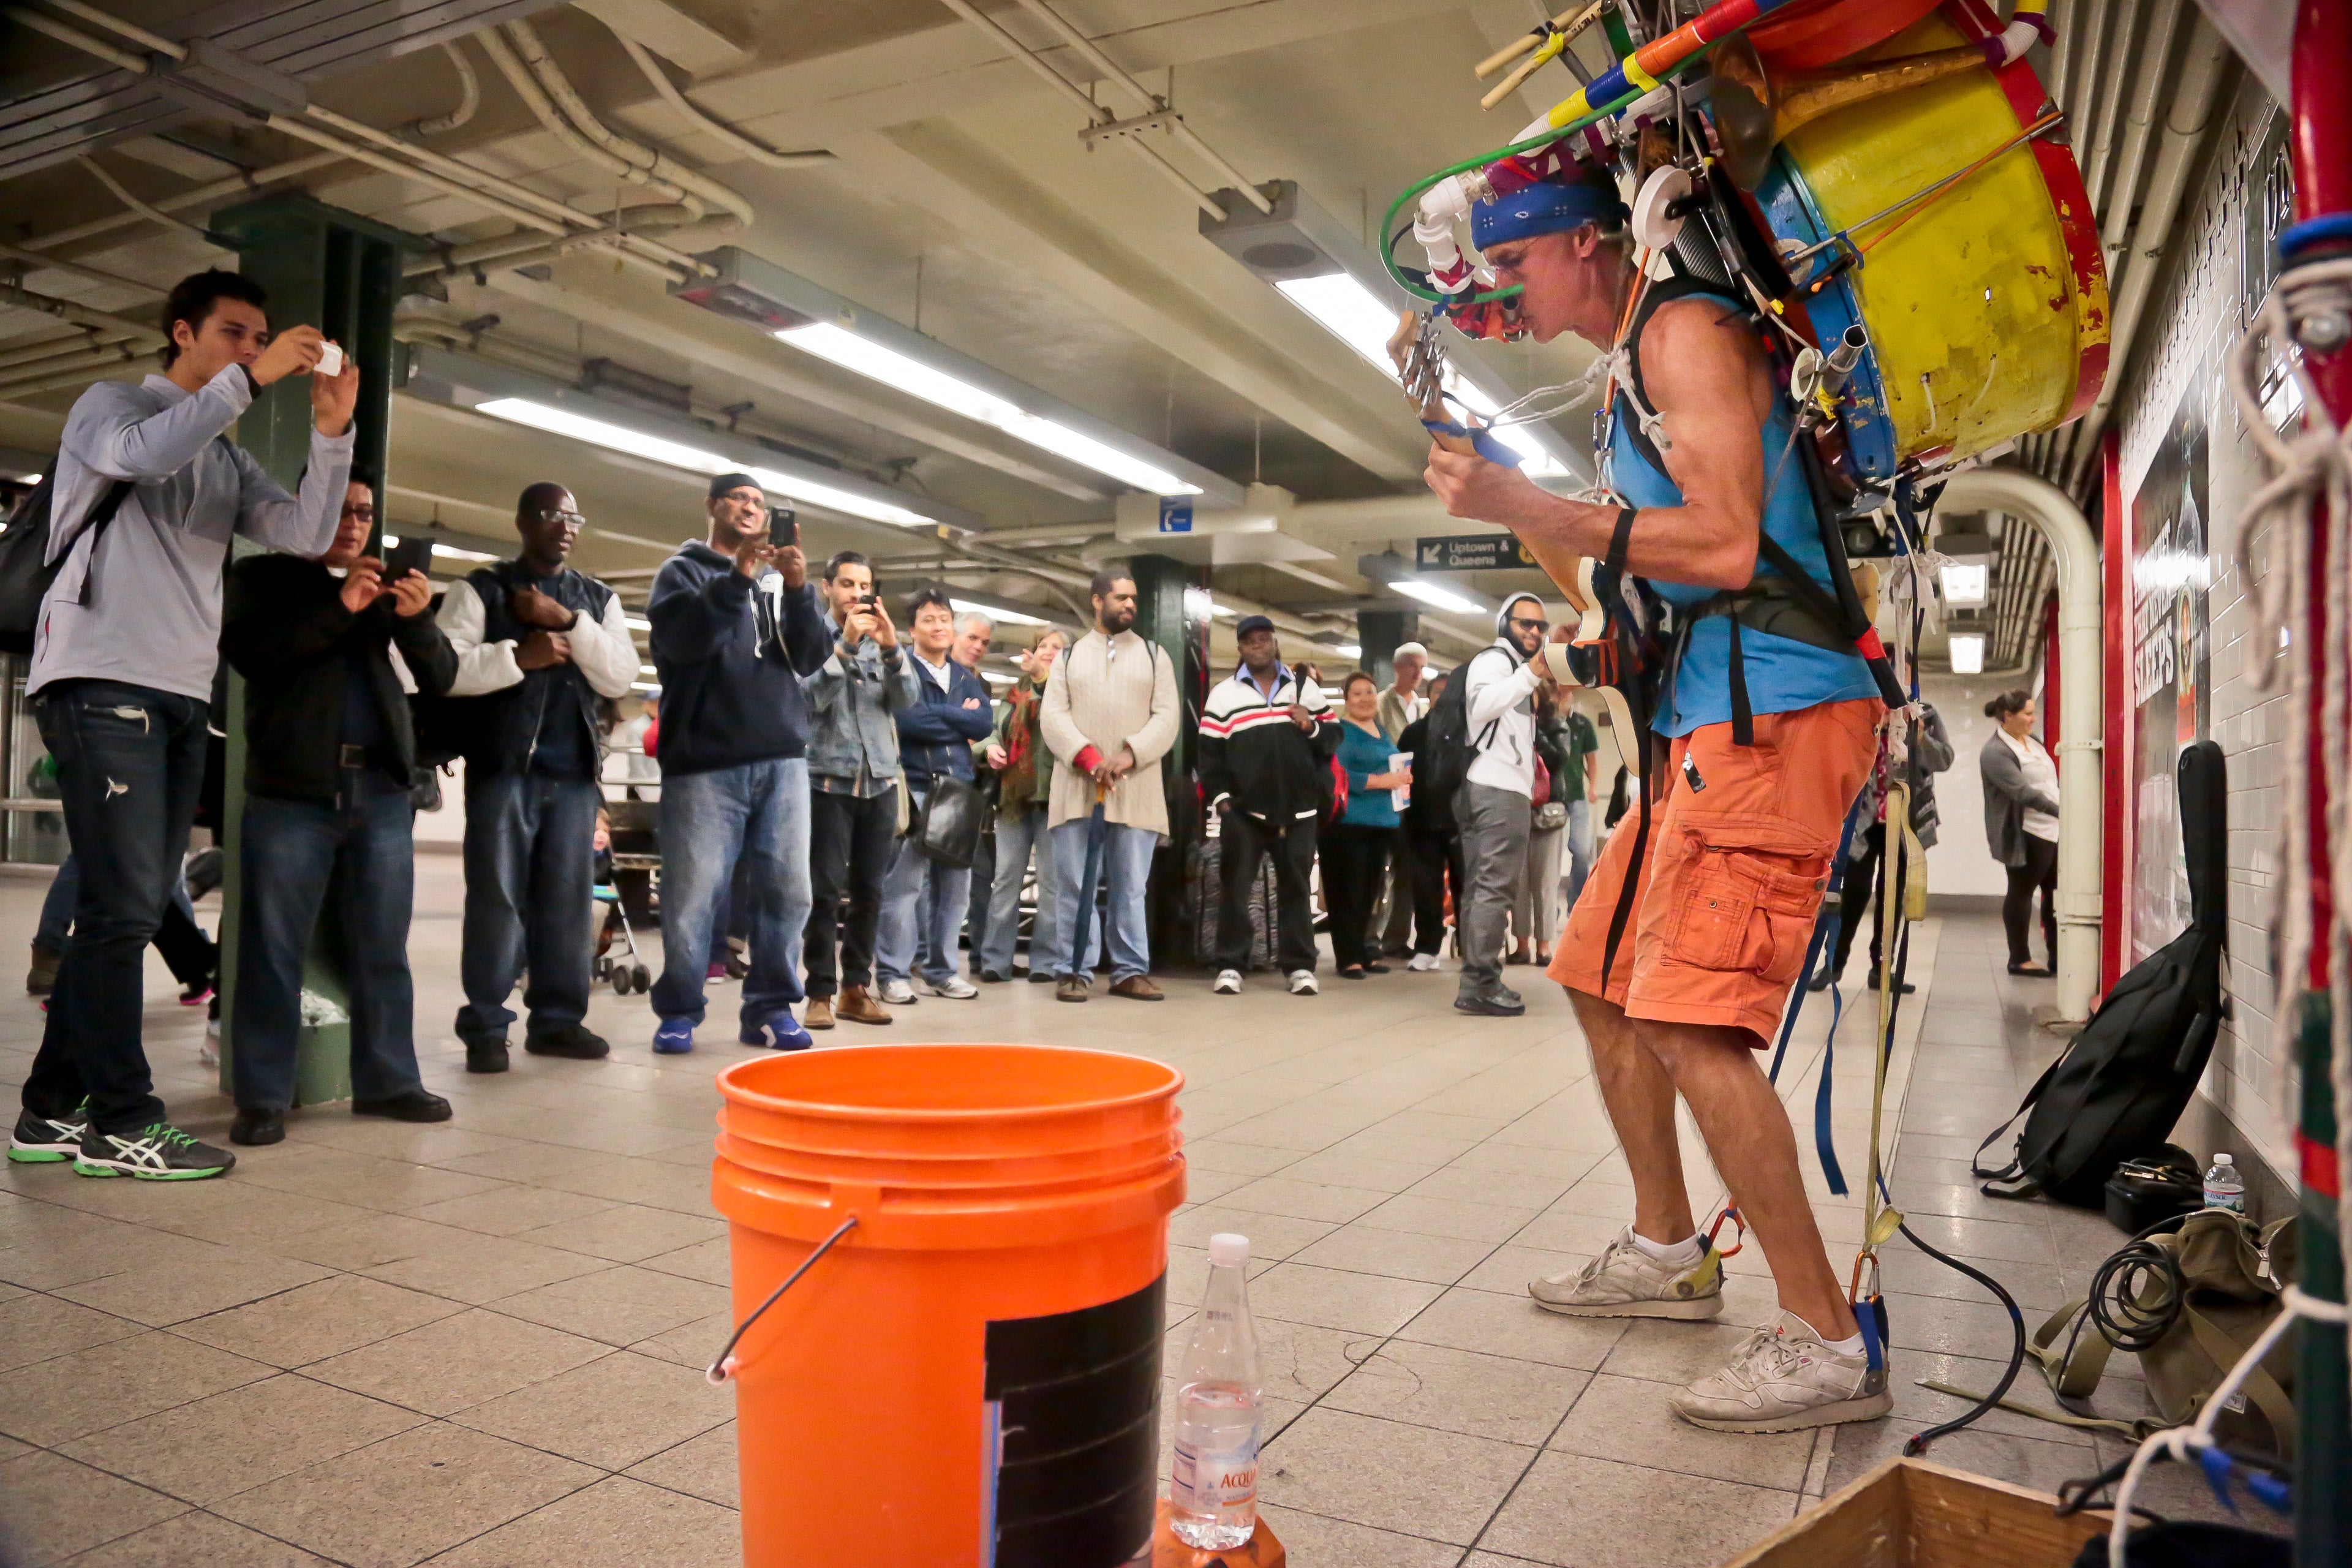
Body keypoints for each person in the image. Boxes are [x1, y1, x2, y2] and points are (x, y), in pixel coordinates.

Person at [1421, 168, 1889, 1432]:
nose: (1501, 297)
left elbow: (1732, 543)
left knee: (1689, 1019)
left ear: (1587, 243)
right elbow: (1662, 559)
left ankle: (1823, 1338)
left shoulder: (1681, 328)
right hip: (1705, 718)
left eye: (1514, 269)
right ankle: (1669, 1246)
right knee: (1594, 966)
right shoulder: (1634, 362)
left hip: (1777, 714)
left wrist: (1524, 501)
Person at [7, 268, 355, 1182]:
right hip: (98, 677)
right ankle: (121, 1119)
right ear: (182, 333)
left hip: (177, 694)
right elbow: (138, 458)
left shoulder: (225, 456)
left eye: (258, 336)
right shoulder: (110, 405)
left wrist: (330, 435)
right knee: (123, 909)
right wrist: (256, 379)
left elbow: (305, 533)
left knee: (120, 908)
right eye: (235, 334)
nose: (251, 349)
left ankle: (46, 1112)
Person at [220, 475, 458, 1144]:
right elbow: (253, 654)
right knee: (272, 950)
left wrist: (418, 621)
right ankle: (263, 1094)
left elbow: (439, 679)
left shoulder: (381, 588)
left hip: (380, 793)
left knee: (384, 948)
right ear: (307, 509)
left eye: (366, 514)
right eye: (343, 509)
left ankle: (389, 1081)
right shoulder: (263, 578)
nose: (356, 524)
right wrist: (342, 605)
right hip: (293, 796)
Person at [435, 483, 638, 1071]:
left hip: (573, 775)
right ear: (523, 521)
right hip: (504, 770)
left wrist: (569, 621)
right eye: (552, 515)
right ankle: (486, 1027)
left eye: (574, 516)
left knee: (568, 904)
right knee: (498, 900)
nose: (566, 526)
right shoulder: (483, 588)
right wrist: (516, 657)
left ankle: (557, 1022)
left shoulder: (596, 599)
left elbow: (619, 677)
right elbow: (444, 669)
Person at [646, 473, 827, 1053]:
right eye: (740, 500)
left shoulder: (782, 582)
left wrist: (799, 589)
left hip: (781, 758)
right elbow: (685, 643)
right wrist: (739, 575)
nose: (752, 509)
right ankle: (678, 1009)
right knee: (693, 894)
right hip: (705, 763)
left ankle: (771, 1008)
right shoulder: (683, 573)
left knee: (788, 890)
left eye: (760, 503)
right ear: (713, 507)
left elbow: (812, 655)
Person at [1039, 570, 1178, 1003]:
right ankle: (1074, 970)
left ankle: (1130, 971)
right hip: (1078, 788)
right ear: (1098, 601)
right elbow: (1053, 716)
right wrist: (1088, 757)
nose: (1130, 606)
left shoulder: (1157, 657)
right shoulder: (1068, 657)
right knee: (1073, 886)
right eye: (1121, 598)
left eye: (1133, 598)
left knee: (1131, 886)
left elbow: (1167, 717)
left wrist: (1129, 755)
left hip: (1135, 788)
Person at [801, 551, 911, 1028]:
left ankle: (855, 989)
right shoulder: (809, 639)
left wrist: (891, 647)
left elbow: (906, 701)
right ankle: (819, 994)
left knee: (870, 893)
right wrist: (844, 646)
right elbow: (807, 702)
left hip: (881, 780)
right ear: (827, 587)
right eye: (846, 584)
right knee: (824, 893)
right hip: (827, 779)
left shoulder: (883, 643)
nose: (855, 594)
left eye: (863, 587)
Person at [1201, 615, 1338, 996]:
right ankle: (1231, 964)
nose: (1258, 646)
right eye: (1250, 641)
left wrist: (1310, 725)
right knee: (1236, 888)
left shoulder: (1304, 688)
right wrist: (1223, 801)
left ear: (1275, 642)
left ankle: (1299, 967)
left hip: (1300, 811)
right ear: (1241, 648)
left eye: (1265, 639)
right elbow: (1209, 756)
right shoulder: (1223, 695)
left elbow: (1333, 738)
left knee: (1296, 887)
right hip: (1244, 812)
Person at [874, 590, 993, 1006]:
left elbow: (983, 724)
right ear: (912, 629)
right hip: (916, 788)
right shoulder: (901, 667)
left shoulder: (964, 675)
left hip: (958, 793)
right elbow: (908, 720)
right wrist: (955, 717)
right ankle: (891, 973)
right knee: (904, 886)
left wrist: (940, 714)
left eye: (944, 619)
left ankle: (942, 972)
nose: (939, 626)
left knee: (954, 890)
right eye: (929, 620)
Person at [1811, 698, 1953, 993]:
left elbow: (1943, 760)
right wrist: (1873, 729)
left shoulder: (1926, 712)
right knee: (1852, 894)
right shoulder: (1864, 708)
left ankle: (1881, 969)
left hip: (1904, 821)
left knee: (1893, 896)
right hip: (1863, 820)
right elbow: (1835, 755)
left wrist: (1920, 736)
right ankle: (1833, 965)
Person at [1452, 593, 1549, 1017]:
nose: (1533, 632)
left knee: (1481, 887)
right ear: (1504, 623)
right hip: (1497, 789)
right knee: (1495, 888)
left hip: (1491, 788)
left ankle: (1476, 979)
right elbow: (1481, 705)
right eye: (1524, 623)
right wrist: (1530, 674)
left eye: (1539, 626)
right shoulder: (1494, 660)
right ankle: (1480, 983)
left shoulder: (1511, 665)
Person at [978, 627, 1068, 983]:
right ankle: (995, 961)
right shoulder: (1012, 694)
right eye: (1043, 646)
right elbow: (991, 729)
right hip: (1013, 800)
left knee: (1051, 887)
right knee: (1005, 881)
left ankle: (1044, 963)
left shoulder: (1068, 694)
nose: (1048, 651)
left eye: (1057, 647)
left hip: (1053, 800)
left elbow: (1052, 718)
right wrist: (988, 747)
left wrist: (1041, 678)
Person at [1324, 671, 1408, 981]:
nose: (1365, 699)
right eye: (1357, 694)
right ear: (1346, 700)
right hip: (1348, 825)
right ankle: (1348, 958)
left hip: (1382, 823)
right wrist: (1380, 781)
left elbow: (1392, 766)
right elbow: (1335, 773)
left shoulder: (1381, 730)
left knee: (1369, 894)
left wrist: (1402, 777)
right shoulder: (1340, 732)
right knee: (1348, 892)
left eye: (1370, 692)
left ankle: (1362, 951)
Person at [1980, 688, 2059, 978]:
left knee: (2056, 893)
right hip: (2025, 833)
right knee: (2022, 892)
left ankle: (2058, 957)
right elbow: (2022, 792)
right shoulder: (1995, 752)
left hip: (2052, 830)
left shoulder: (2032, 742)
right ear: (2008, 716)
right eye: (2027, 714)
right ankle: (2019, 959)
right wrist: (2065, 812)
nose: (2033, 719)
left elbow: (2048, 782)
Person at [1396, 670, 1461, 972]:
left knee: (1468, 888)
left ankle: (1471, 947)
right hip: (1421, 822)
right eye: (1437, 693)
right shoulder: (1412, 733)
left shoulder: (1472, 732)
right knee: (1426, 887)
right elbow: (1401, 776)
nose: (1443, 699)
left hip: (1461, 823)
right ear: (1429, 697)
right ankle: (1427, 948)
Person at [1375, 642, 1431, 960]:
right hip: (1384, 797)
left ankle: (1396, 939)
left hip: (1416, 803)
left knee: (1407, 872)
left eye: (1423, 668)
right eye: (1413, 666)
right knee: (1377, 873)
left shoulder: (1424, 709)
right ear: (1398, 667)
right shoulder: (1380, 703)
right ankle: (1369, 936)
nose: (1418, 674)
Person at [952, 610, 998, 976]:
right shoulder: (924, 675)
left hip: (967, 793)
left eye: (984, 641)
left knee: (978, 876)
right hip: (925, 785)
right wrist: (957, 722)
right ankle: (918, 957)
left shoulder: (982, 687)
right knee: (917, 878)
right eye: (972, 638)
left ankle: (979, 956)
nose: (979, 647)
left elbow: (981, 734)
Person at [1513, 683, 1571, 968]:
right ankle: (1521, 945)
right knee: (1519, 882)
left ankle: (1545, 947)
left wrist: (1534, 732)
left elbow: (1559, 760)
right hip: (1516, 809)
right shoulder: (1507, 725)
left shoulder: (1557, 726)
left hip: (1550, 812)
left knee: (1546, 882)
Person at [1558, 693, 1602, 912]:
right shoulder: (1543, 721)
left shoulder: (1582, 724)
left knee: (1581, 850)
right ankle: (1549, 907)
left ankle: (1577, 904)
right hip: (1552, 798)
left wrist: (1593, 787)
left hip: (1577, 798)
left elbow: (1591, 760)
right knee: (1551, 854)